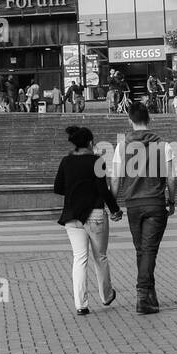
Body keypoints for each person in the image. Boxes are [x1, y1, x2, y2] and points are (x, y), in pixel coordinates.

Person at [111, 102, 176, 315]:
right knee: (149, 250)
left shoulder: (122, 146)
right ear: (149, 119)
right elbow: (171, 178)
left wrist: (113, 206)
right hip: (155, 202)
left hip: (134, 205)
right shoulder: (163, 145)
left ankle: (149, 294)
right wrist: (172, 200)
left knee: (142, 250)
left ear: (130, 119)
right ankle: (143, 294)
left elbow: (116, 178)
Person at [54, 125, 121, 316]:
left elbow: (58, 187)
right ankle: (106, 296)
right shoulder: (97, 161)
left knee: (79, 259)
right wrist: (115, 210)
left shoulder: (66, 162)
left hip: (72, 216)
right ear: (90, 143)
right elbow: (103, 190)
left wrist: (75, 188)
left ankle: (81, 305)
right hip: (95, 215)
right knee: (100, 257)